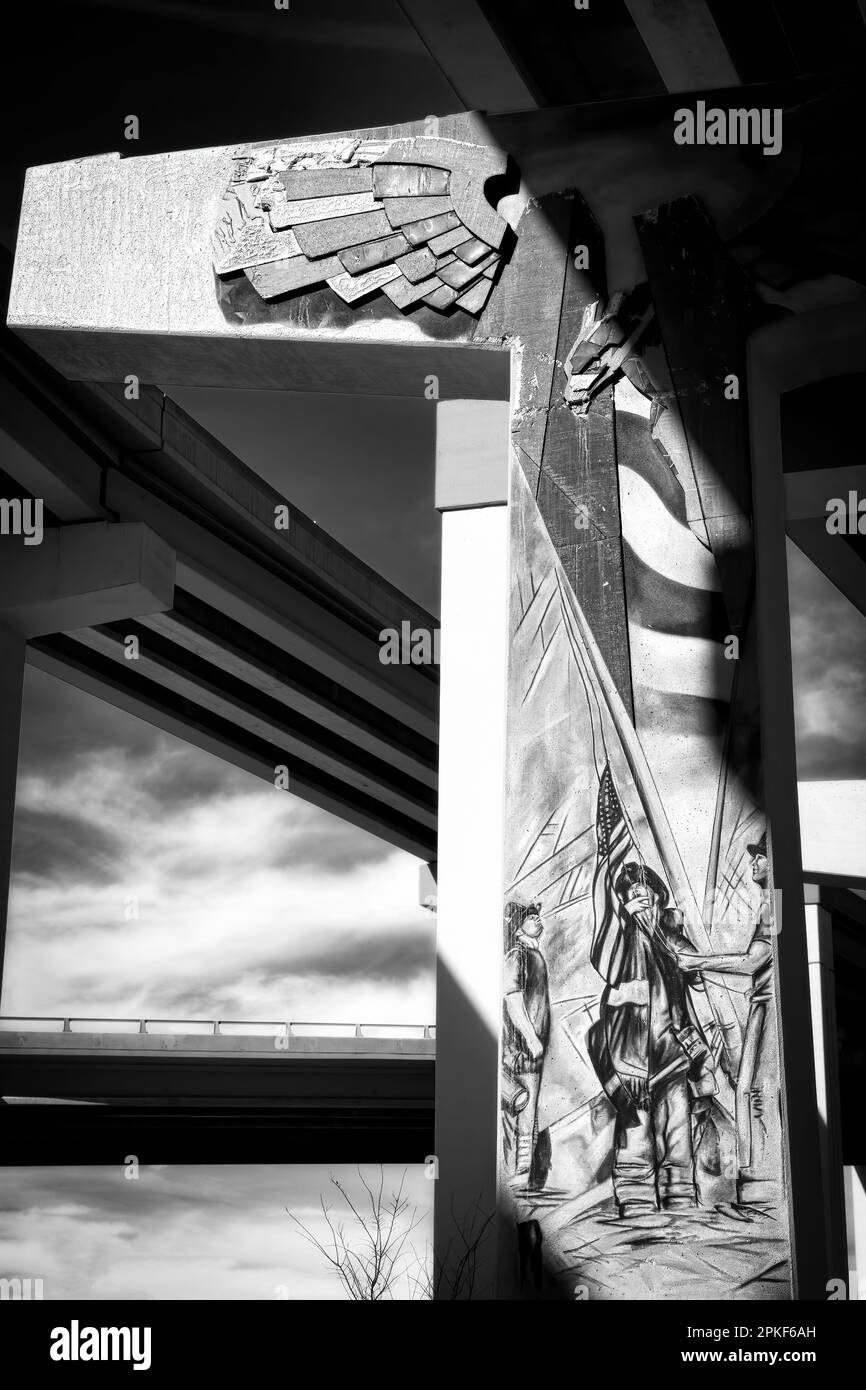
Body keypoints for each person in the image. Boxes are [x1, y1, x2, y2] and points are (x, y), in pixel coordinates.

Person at [588, 862, 716, 1217]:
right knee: (635, 1132)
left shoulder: (669, 937)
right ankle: (637, 1205)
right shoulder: (622, 946)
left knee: (678, 1131)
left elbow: (697, 974)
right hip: (631, 1059)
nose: (638, 902)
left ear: (658, 897)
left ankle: (680, 1202)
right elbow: (613, 985)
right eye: (631, 898)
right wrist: (631, 929)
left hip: (674, 1052)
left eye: (644, 895)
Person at [674, 832, 780, 1212]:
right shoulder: (772, 903)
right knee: (750, 1092)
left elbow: (753, 962)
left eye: (760, 858)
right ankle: (758, 1186)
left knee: (757, 1093)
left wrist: (699, 962)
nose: (753, 864)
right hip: (762, 1004)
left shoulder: (775, 904)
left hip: (770, 1009)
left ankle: (765, 1187)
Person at [502, 898, 550, 1183]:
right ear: (519, 928)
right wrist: (530, 1038)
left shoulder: (534, 955)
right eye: (531, 918)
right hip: (519, 1048)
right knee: (523, 1108)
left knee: (528, 1110)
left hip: (531, 1047)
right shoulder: (516, 955)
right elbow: (513, 999)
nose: (538, 920)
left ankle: (523, 1170)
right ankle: (519, 1171)